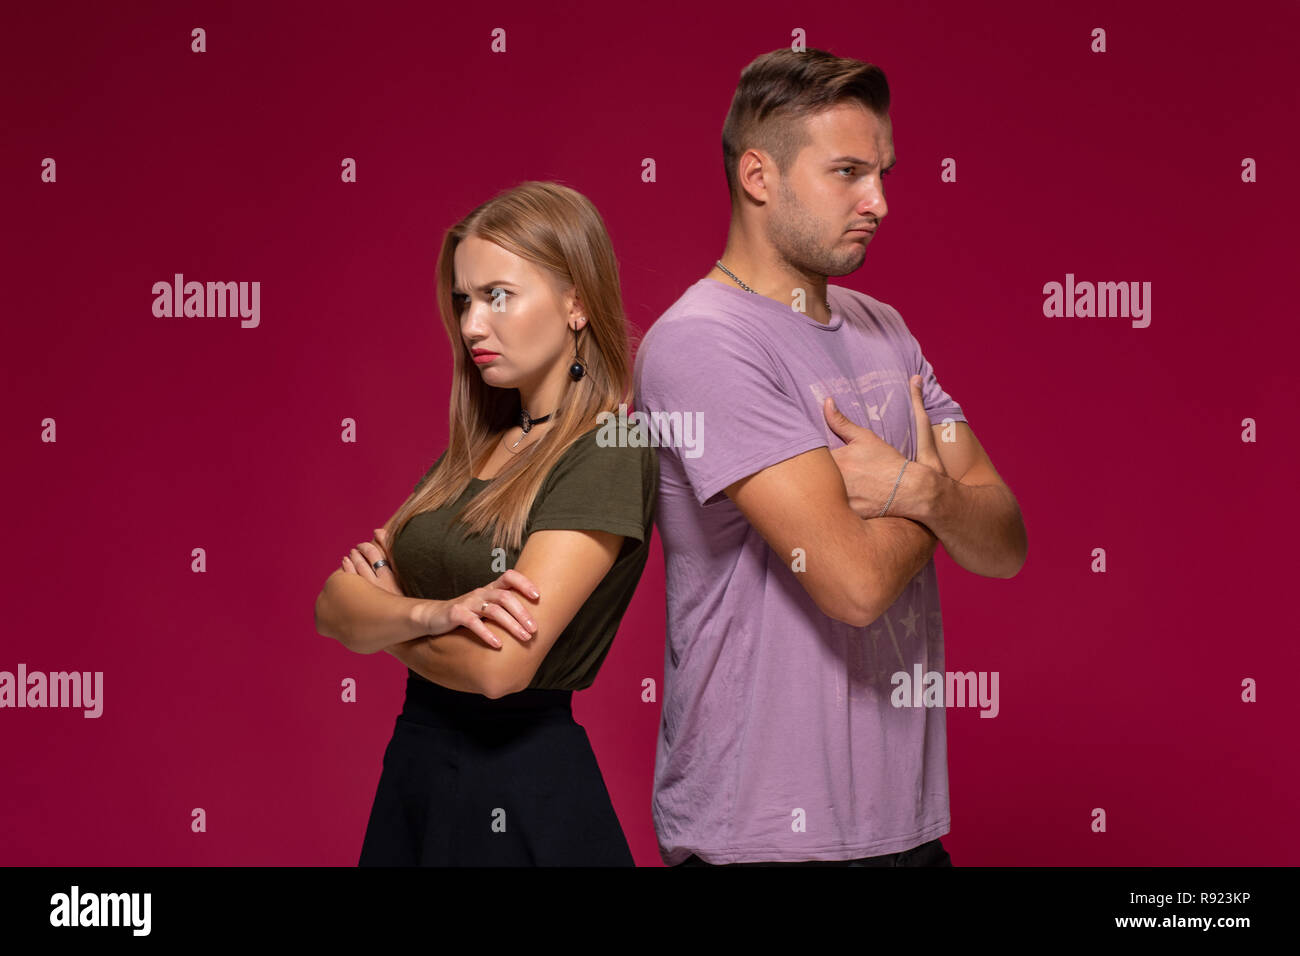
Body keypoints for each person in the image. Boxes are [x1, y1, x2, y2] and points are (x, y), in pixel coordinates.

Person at [633, 48, 1027, 866]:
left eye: (882, 173)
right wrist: (937, 497)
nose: (878, 201)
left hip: (906, 830)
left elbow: (1004, 541)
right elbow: (852, 585)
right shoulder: (703, 343)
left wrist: (918, 490)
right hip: (761, 839)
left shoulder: (885, 327)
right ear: (758, 176)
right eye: (847, 172)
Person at [314, 181, 657, 866]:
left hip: (521, 792)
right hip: (416, 779)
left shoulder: (609, 447)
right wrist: (431, 616)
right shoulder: (472, 453)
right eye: (464, 300)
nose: (472, 325)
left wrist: (387, 623)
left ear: (577, 303)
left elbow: (499, 670)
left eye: (498, 296)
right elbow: (332, 607)